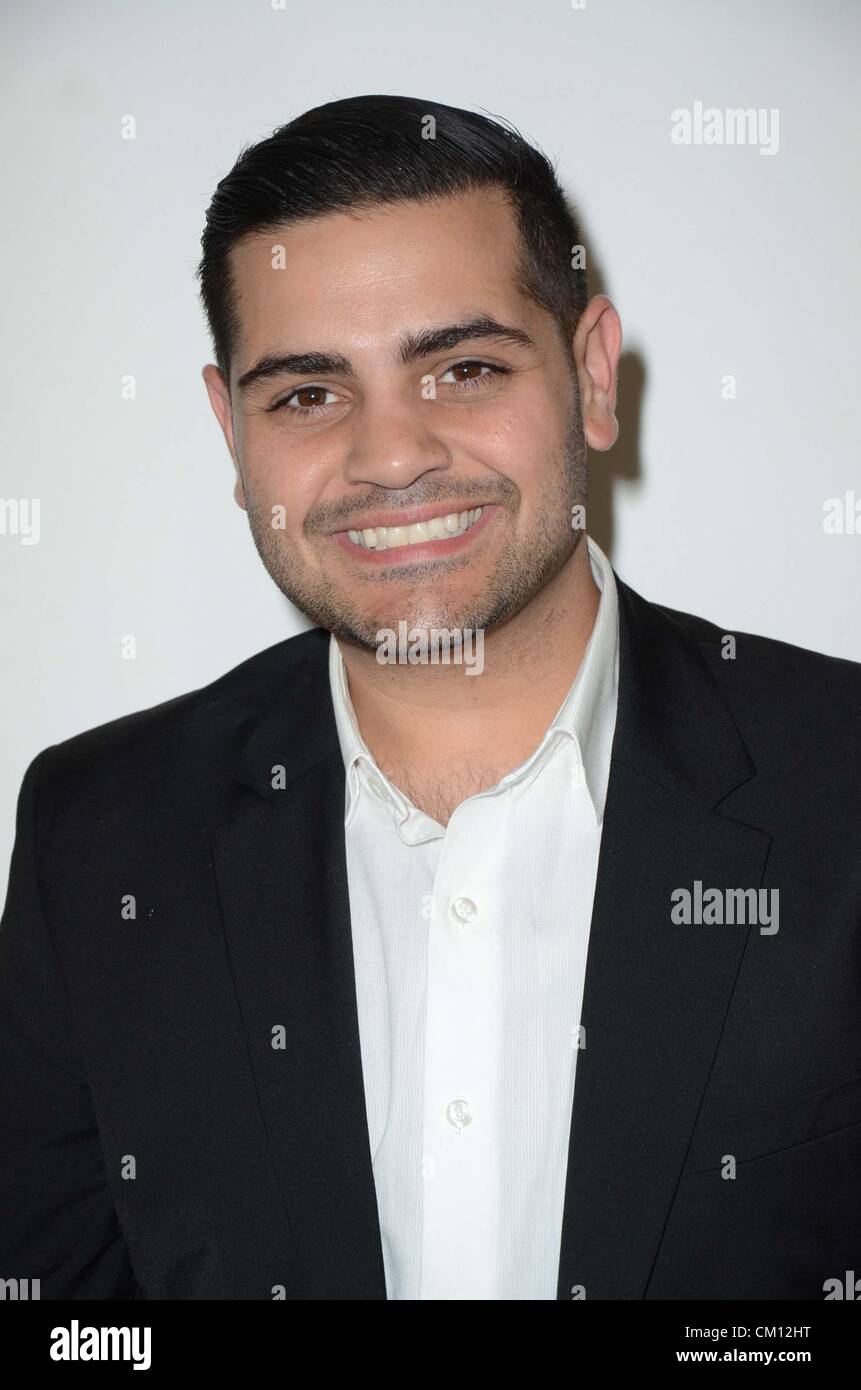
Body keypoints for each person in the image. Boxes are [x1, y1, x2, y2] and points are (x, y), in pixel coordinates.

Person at [1, 94, 859, 1301]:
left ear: (592, 376)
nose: (391, 455)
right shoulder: (97, 830)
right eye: (306, 393)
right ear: (230, 432)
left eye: (463, 368)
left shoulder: (842, 785)